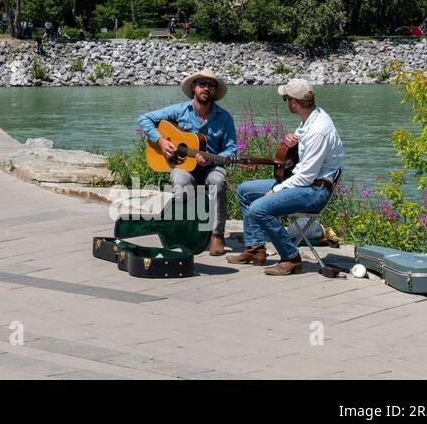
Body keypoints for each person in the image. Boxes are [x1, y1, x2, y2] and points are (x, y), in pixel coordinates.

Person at [232, 79, 345, 276]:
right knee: (245, 190)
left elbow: (306, 176)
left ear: (293, 102)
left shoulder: (319, 130)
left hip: (315, 191)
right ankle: (256, 248)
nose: (286, 103)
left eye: (286, 99)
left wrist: (274, 190)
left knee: (259, 207)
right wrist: (291, 141)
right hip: (306, 184)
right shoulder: (310, 118)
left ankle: (291, 258)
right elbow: (305, 154)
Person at [137, 68, 238, 256]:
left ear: (215, 91)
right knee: (181, 181)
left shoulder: (224, 118)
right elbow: (144, 119)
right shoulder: (180, 110)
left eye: (211, 85)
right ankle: (187, 229)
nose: (206, 88)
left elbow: (231, 150)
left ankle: (217, 235)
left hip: (212, 166)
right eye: (202, 84)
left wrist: (209, 161)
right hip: (184, 167)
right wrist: (161, 141)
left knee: (218, 181)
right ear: (194, 87)